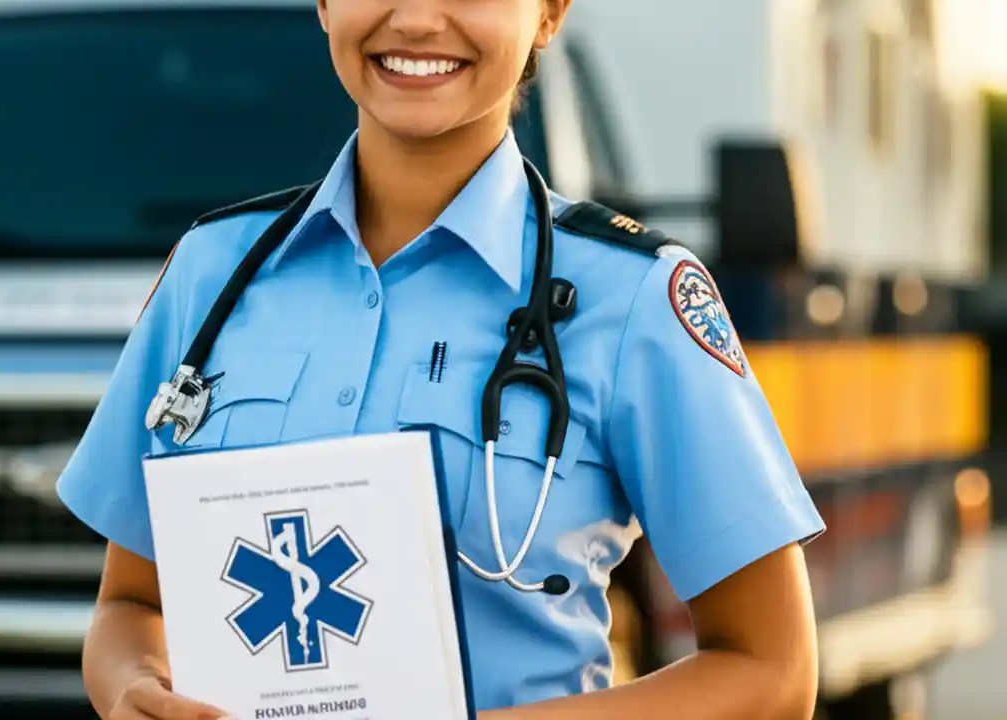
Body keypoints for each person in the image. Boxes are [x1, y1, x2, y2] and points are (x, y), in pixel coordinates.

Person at [56, 0, 827, 717]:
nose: (418, 19)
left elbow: (773, 670)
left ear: (551, 11)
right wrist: (135, 687)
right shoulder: (212, 273)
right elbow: (130, 608)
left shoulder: (632, 299)